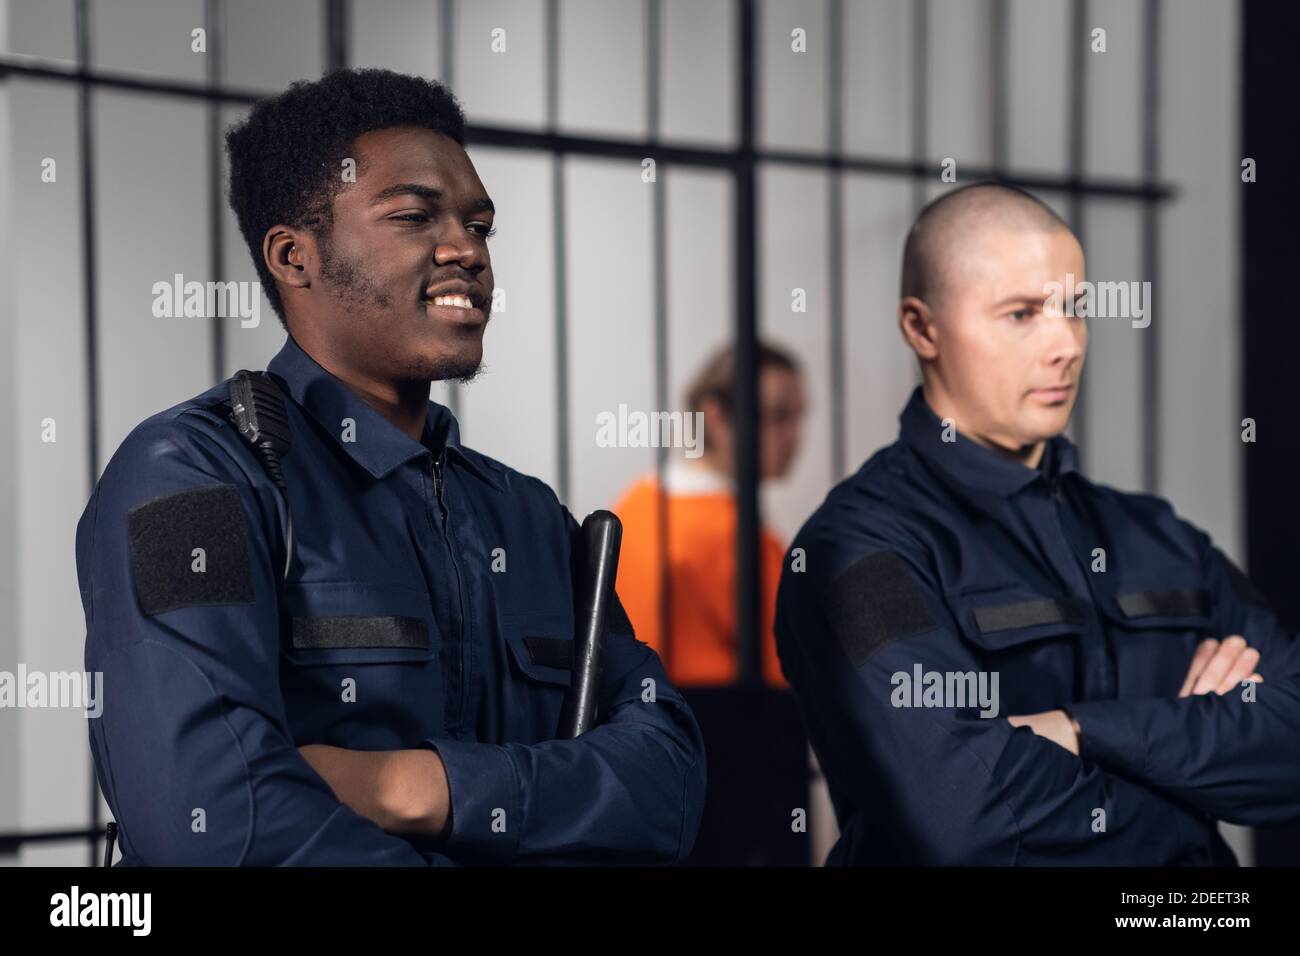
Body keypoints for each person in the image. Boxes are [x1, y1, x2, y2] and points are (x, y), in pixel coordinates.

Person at [76, 68, 705, 866]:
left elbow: (672, 784)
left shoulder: (528, 516)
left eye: (480, 226)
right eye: (414, 216)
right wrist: (553, 804)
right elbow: (211, 824)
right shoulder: (188, 479)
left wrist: (417, 786)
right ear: (294, 256)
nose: (466, 251)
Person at [775, 182, 1300, 865]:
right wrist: (1194, 789)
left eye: (1074, 308)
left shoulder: (1158, 535)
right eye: (1021, 314)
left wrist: (1080, 730)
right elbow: (965, 816)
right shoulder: (860, 551)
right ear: (922, 328)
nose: (1067, 346)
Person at [613, 343, 805, 689]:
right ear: (715, 416)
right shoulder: (732, 531)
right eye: (777, 416)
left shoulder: (638, 501)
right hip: (724, 723)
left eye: (798, 416)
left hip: (635, 720)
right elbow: (789, 658)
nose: (794, 436)